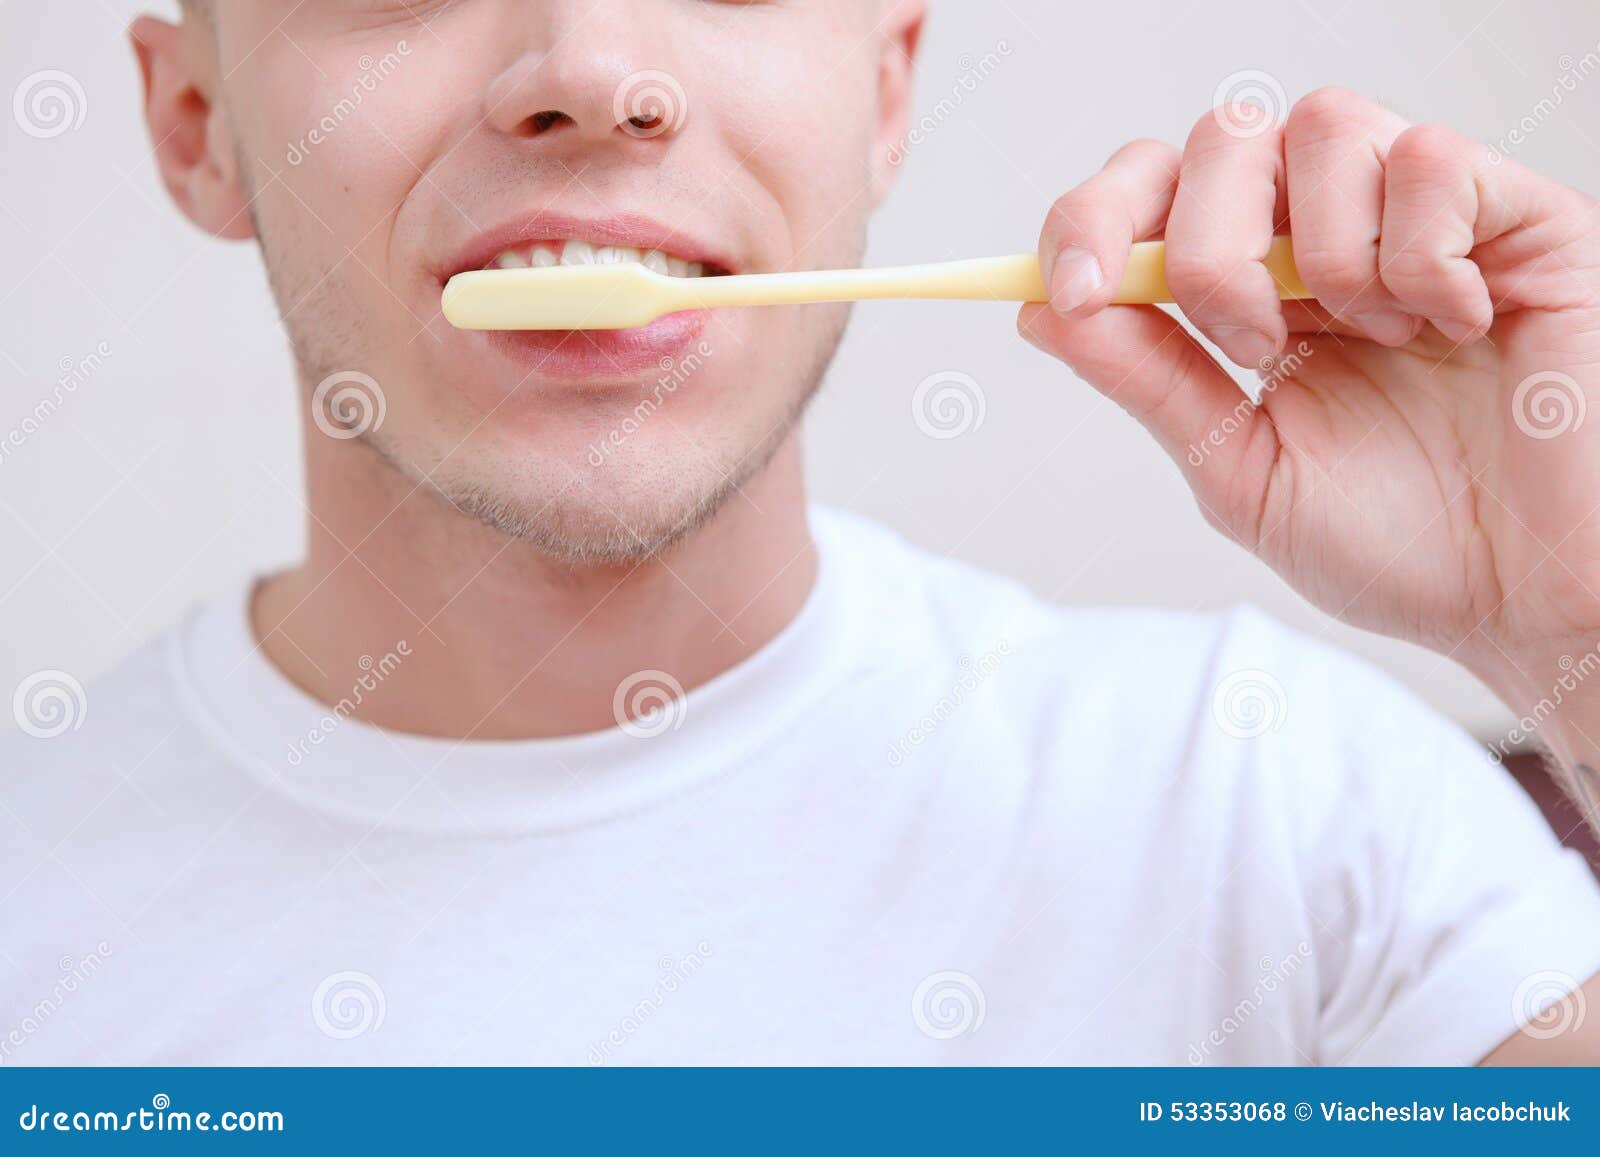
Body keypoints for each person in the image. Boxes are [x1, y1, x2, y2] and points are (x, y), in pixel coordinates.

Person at [3, 0, 1598, 1065]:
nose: (588, 70)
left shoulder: (1275, 810)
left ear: (887, 88)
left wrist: (1578, 635)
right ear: (199, 121)